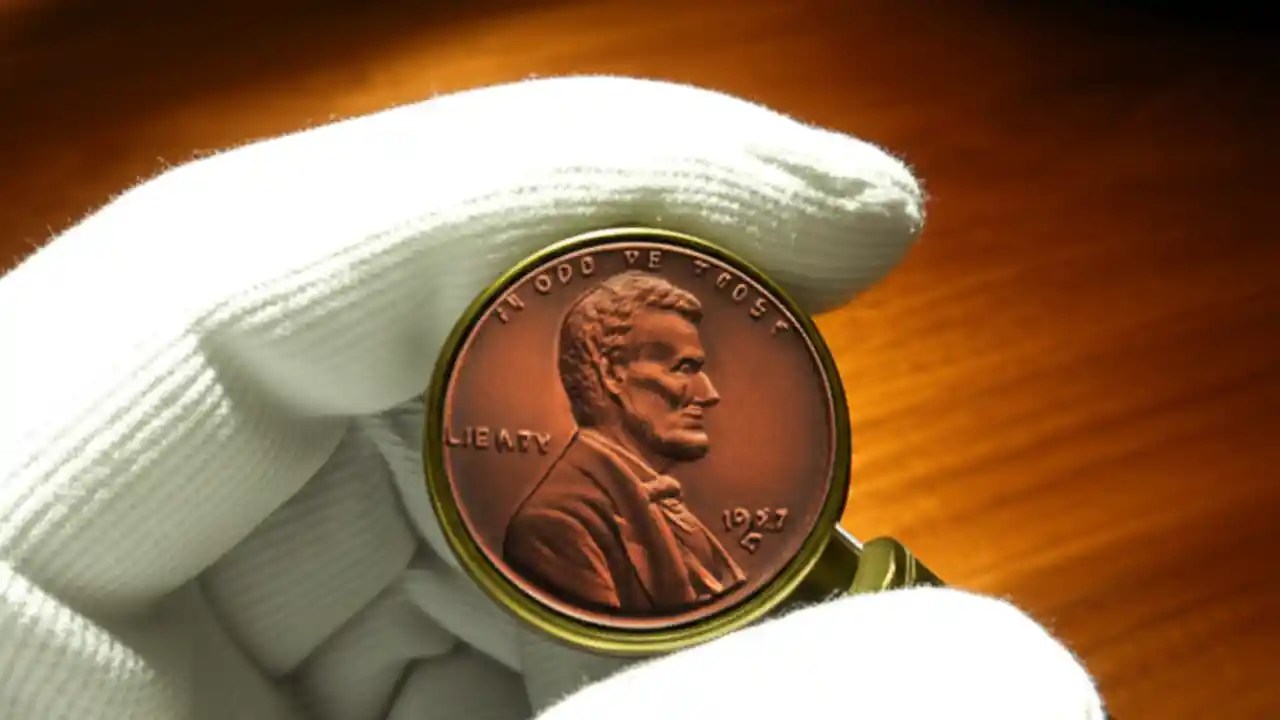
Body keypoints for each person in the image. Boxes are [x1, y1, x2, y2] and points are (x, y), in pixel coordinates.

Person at [0, 77, 1106, 719]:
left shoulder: (673, 529)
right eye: (675, 364)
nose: (710, 381)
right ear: (596, 380)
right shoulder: (554, 528)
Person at [504, 271, 746, 613]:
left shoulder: (652, 499)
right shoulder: (556, 524)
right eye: (682, 368)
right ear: (612, 373)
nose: (708, 394)